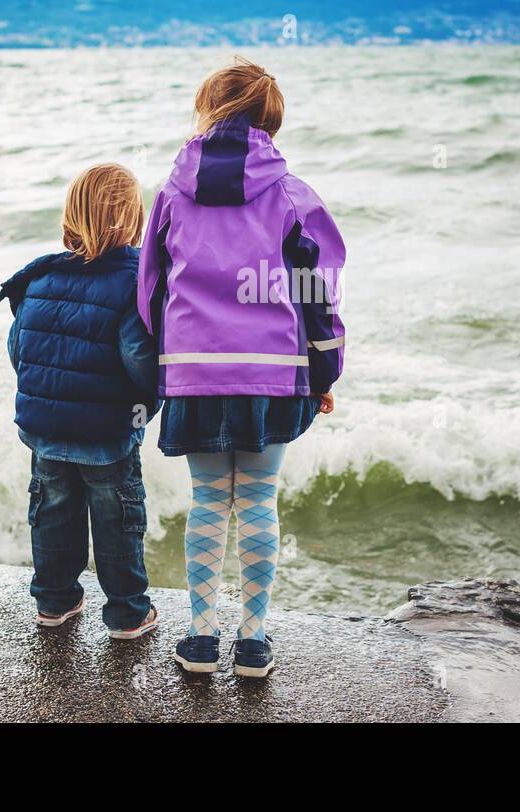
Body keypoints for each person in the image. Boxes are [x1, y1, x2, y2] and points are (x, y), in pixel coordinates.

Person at [138, 56, 346, 677]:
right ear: (271, 122)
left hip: (195, 371)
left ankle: (201, 641)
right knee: (257, 501)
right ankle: (253, 642)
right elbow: (319, 292)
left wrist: (164, 365)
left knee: (207, 501)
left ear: (207, 111)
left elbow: (149, 290)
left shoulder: (172, 192)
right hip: (271, 371)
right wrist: (326, 371)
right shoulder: (291, 196)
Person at [0, 163, 160, 638]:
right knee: (117, 521)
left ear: (70, 218)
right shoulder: (133, 284)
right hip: (108, 431)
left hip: (46, 429)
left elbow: (18, 351)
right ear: (133, 223)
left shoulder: (41, 278)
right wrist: (155, 396)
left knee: (52, 514)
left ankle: (54, 601)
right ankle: (128, 613)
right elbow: (140, 361)